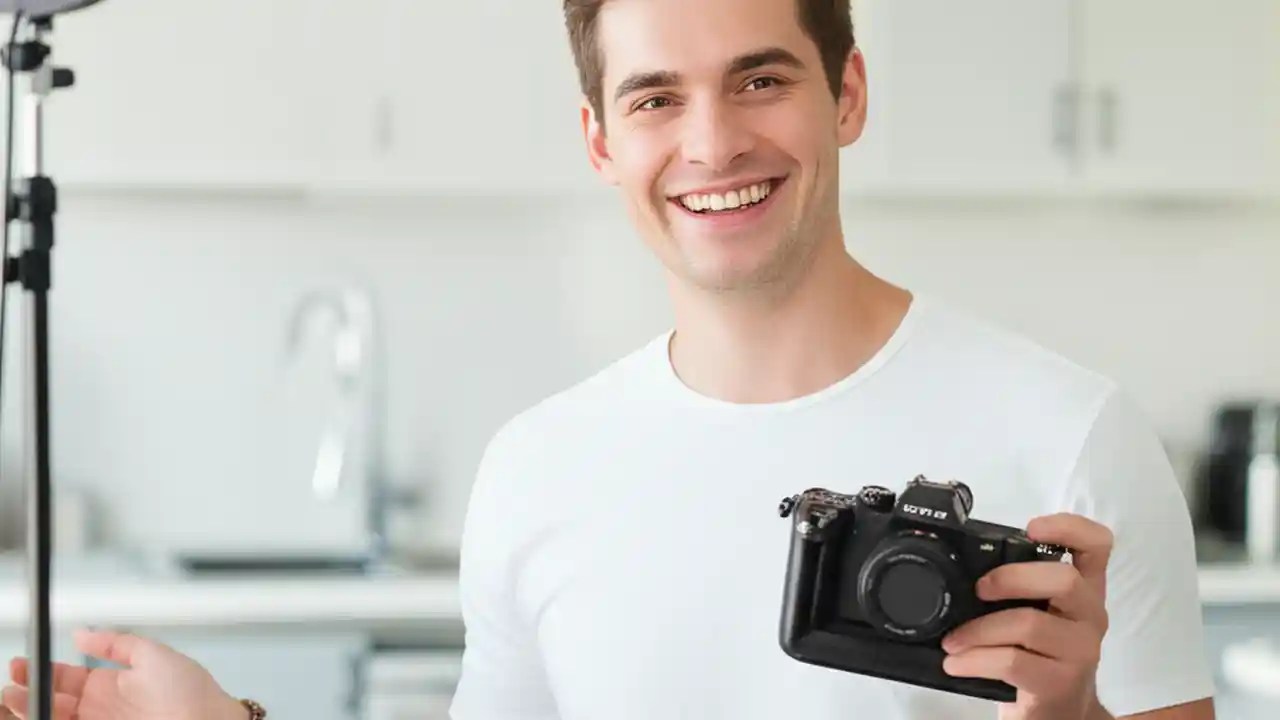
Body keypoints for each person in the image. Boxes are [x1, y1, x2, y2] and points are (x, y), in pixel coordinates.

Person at [2, 0, 1218, 718]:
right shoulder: (539, 465)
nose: (711, 141)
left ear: (846, 92)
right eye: (652, 99)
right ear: (597, 139)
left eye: (759, 77)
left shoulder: (1068, 439)